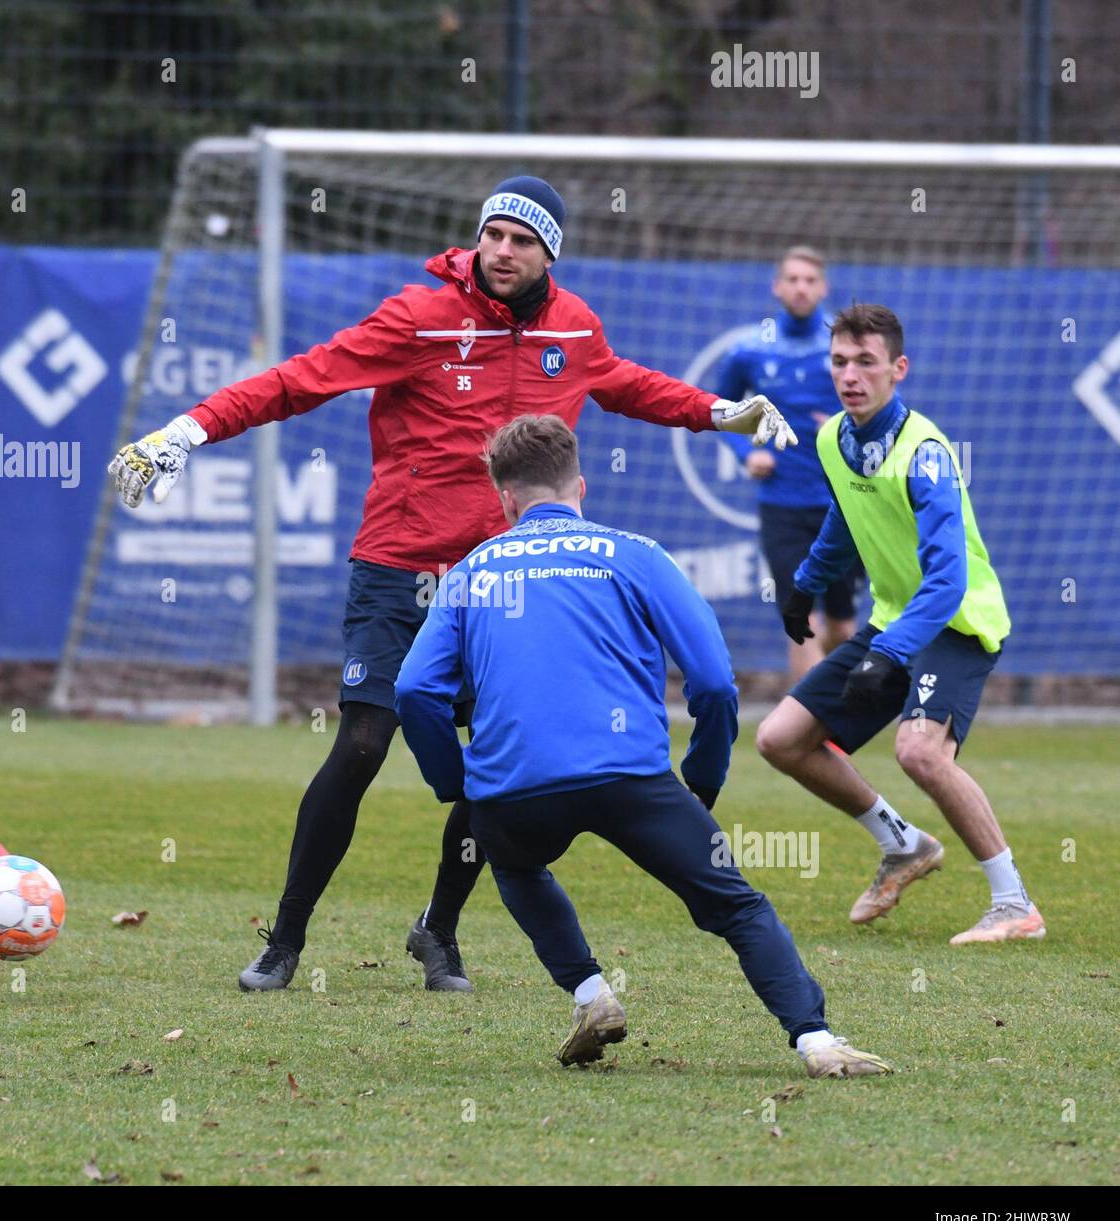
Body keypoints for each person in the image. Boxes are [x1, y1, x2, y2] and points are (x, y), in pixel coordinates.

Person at [107, 176, 797, 993]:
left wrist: (721, 412)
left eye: (522, 240)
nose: (502, 251)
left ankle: (439, 930)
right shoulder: (419, 316)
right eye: (493, 235)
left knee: (494, 767)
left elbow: (627, 383)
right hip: (398, 565)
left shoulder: (574, 326)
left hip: (499, 585)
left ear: (550, 254)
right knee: (363, 745)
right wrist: (189, 429)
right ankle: (285, 939)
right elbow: (303, 378)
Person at [395, 413, 889, 1078]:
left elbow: (415, 692)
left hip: (514, 791)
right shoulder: (636, 554)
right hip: (631, 779)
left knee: (514, 867)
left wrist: (452, 780)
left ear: (505, 499)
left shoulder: (469, 572)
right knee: (737, 906)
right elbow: (714, 683)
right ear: (582, 488)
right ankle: (816, 1040)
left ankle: (590, 993)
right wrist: (702, 779)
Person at [755, 304, 1044, 944]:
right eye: (839, 362)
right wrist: (803, 588)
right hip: (896, 622)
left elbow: (949, 582)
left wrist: (889, 653)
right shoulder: (834, 438)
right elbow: (842, 523)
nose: (850, 375)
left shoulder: (926, 454)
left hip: (957, 622)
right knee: (780, 738)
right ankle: (903, 844)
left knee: (918, 751)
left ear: (898, 369)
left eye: (866, 362)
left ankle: (1015, 905)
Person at [716, 246, 865, 680]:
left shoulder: (846, 349)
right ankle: (805, 727)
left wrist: (843, 429)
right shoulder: (749, 351)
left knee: (841, 624)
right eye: (793, 279)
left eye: (810, 280)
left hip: (842, 502)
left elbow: (876, 408)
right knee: (801, 616)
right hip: (781, 505)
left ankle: (835, 701)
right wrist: (748, 453)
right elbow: (721, 410)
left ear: (824, 288)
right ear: (777, 287)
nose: (801, 288)